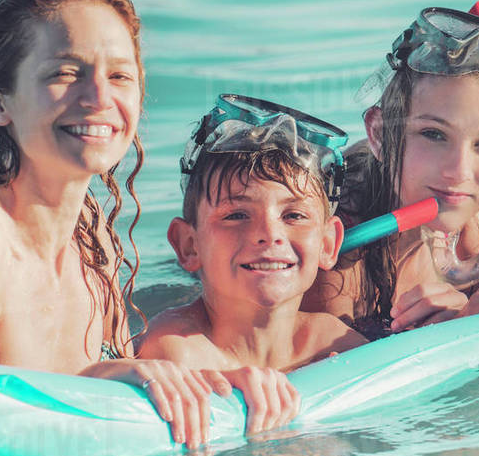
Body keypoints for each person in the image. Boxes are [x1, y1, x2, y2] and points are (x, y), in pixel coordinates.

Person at [0, 0, 279, 449]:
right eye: (65, 74)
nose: (99, 98)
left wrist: (214, 382)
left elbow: (119, 382)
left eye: (119, 76)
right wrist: (97, 378)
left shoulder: (91, 234)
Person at [303, 6, 479, 336]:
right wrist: (460, 327)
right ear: (378, 134)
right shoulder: (336, 256)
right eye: (433, 134)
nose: (459, 171)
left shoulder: (466, 218)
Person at [138, 96, 367, 432]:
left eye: (294, 215)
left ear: (328, 244)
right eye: (237, 215)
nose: (269, 235)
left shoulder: (333, 340)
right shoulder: (176, 348)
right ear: (189, 245)